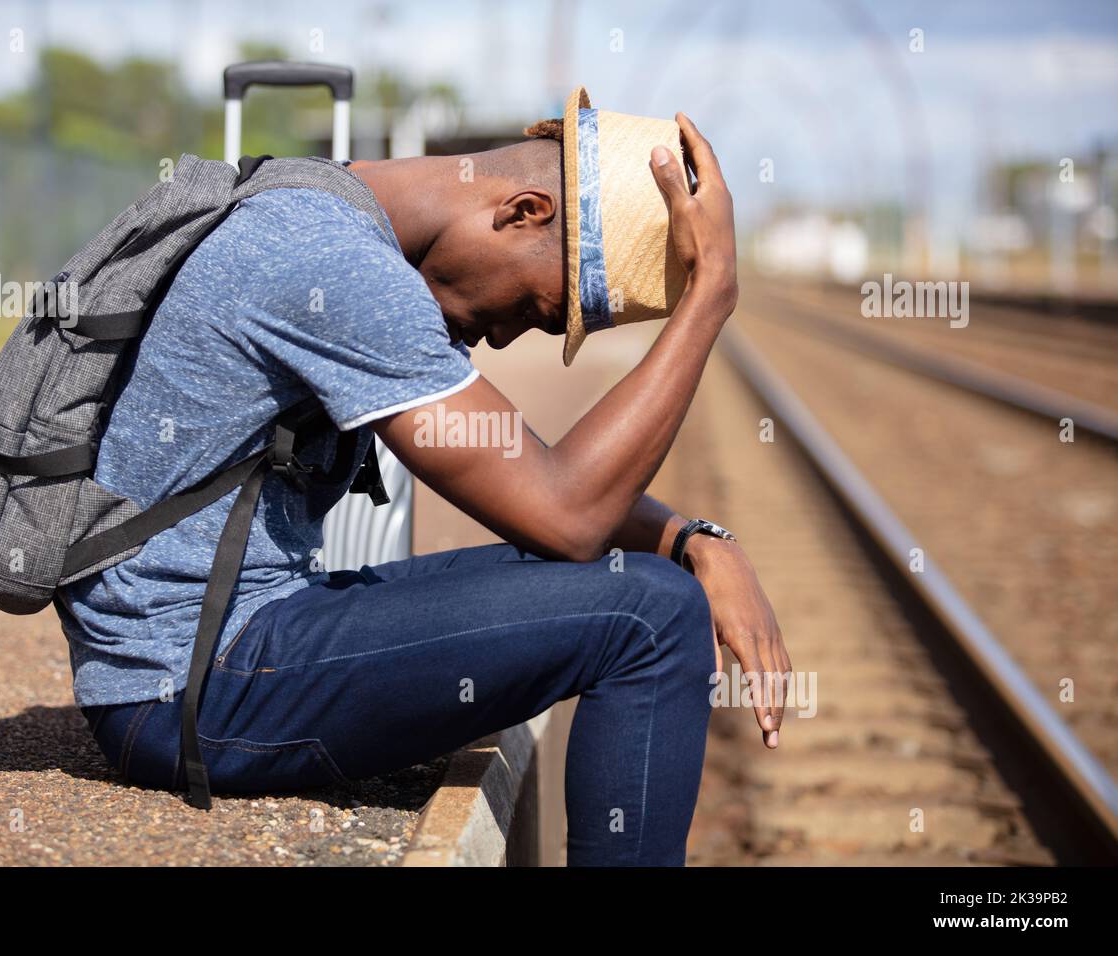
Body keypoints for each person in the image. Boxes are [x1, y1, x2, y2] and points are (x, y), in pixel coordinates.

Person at [62, 87, 790, 866]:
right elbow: (565, 512)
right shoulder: (335, 264)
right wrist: (709, 296)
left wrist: (690, 538)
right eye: (537, 311)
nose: (505, 339)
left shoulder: (320, 205)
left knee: (645, 577)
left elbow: (530, 474)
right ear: (523, 211)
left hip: (214, 649)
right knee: (652, 619)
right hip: (189, 689)